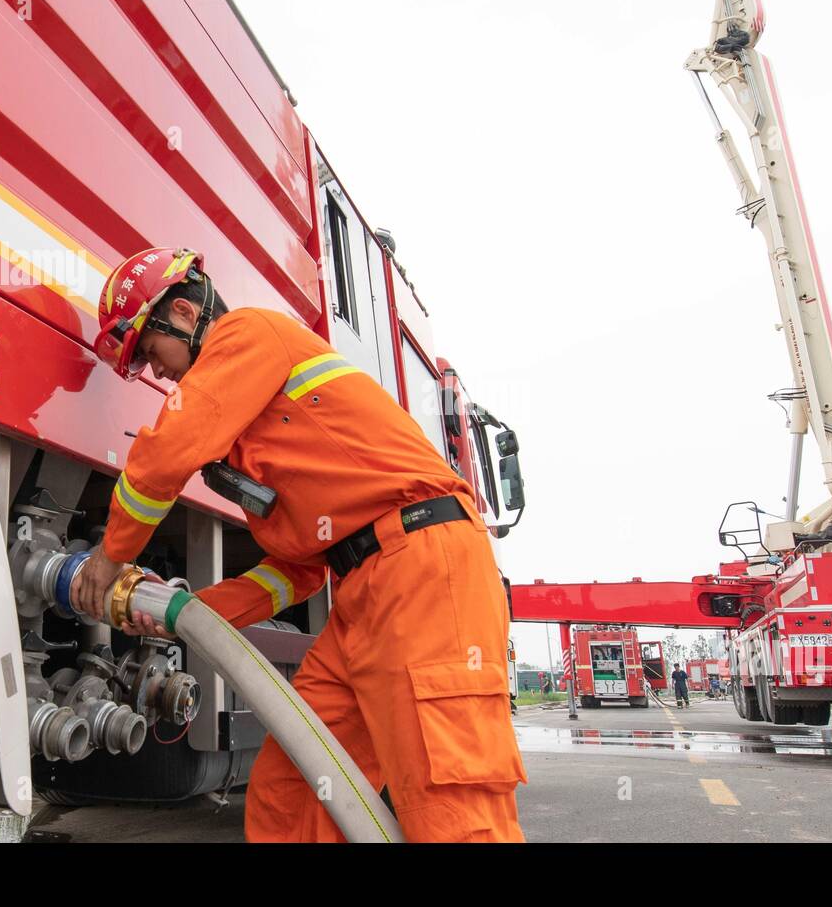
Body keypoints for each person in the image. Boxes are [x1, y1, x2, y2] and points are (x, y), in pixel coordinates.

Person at [72, 247, 528, 842]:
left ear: (182, 313)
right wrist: (191, 615)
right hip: (366, 595)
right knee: (296, 793)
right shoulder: (255, 429)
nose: (159, 375)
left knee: (451, 809)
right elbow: (299, 572)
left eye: (151, 354)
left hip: (422, 572)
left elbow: (163, 456)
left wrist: (109, 561)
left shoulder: (247, 334)